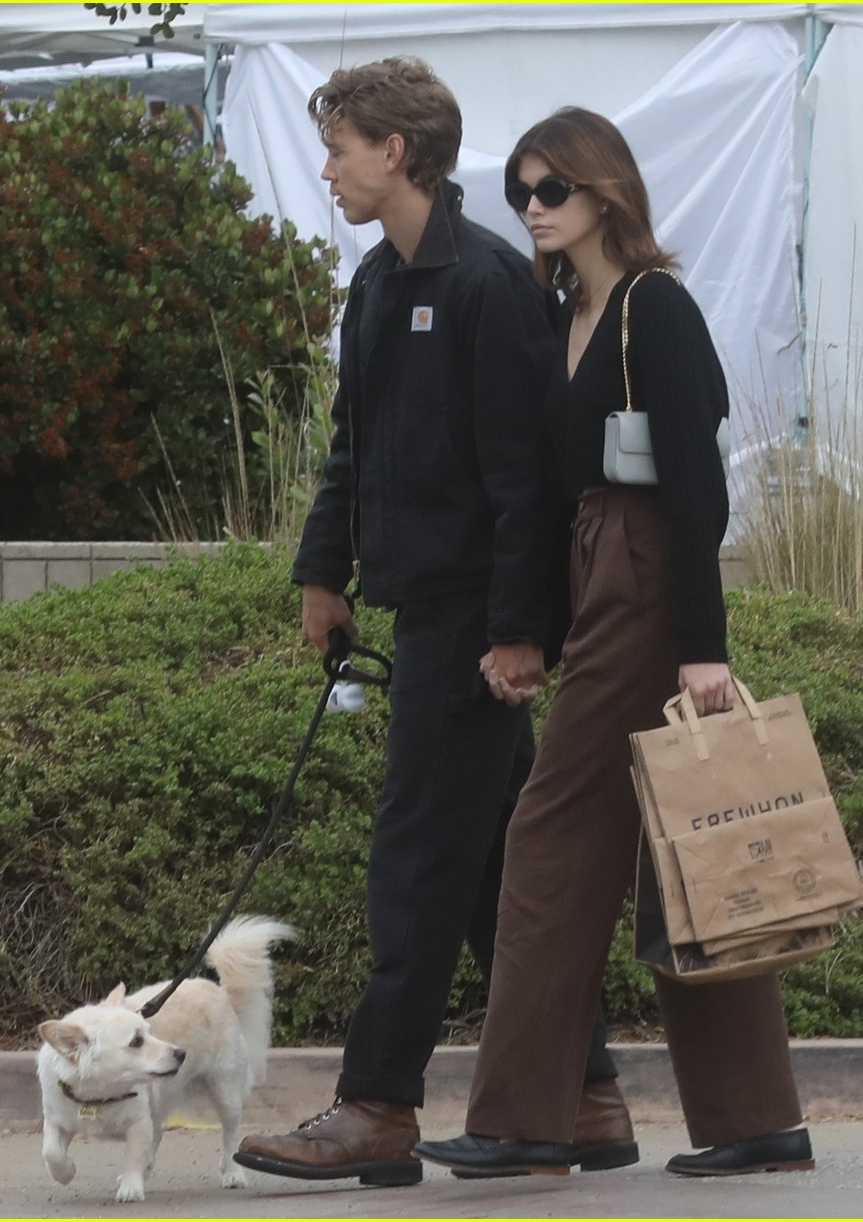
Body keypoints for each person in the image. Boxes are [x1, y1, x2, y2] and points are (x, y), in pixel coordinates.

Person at [233, 64, 637, 1189]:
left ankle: (376, 1105)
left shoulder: (494, 288)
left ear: (396, 152)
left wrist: (518, 634)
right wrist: (324, 571)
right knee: (485, 874)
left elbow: (528, 483)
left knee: (416, 857)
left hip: (474, 625)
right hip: (421, 610)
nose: (328, 169)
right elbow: (351, 444)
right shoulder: (373, 285)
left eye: (343, 148)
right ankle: (591, 1097)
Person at [414, 107, 814, 1179]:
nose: (533, 211)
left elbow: (694, 485)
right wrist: (532, 631)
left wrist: (703, 646)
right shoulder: (565, 316)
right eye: (520, 194)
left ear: (607, 194)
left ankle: (523, 1118)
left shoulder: (655, 308)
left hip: (646, 571)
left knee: (547, 831)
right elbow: (549, 497)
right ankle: (754, 1118)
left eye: (552, 191)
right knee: (686, 841)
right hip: (598, 567)